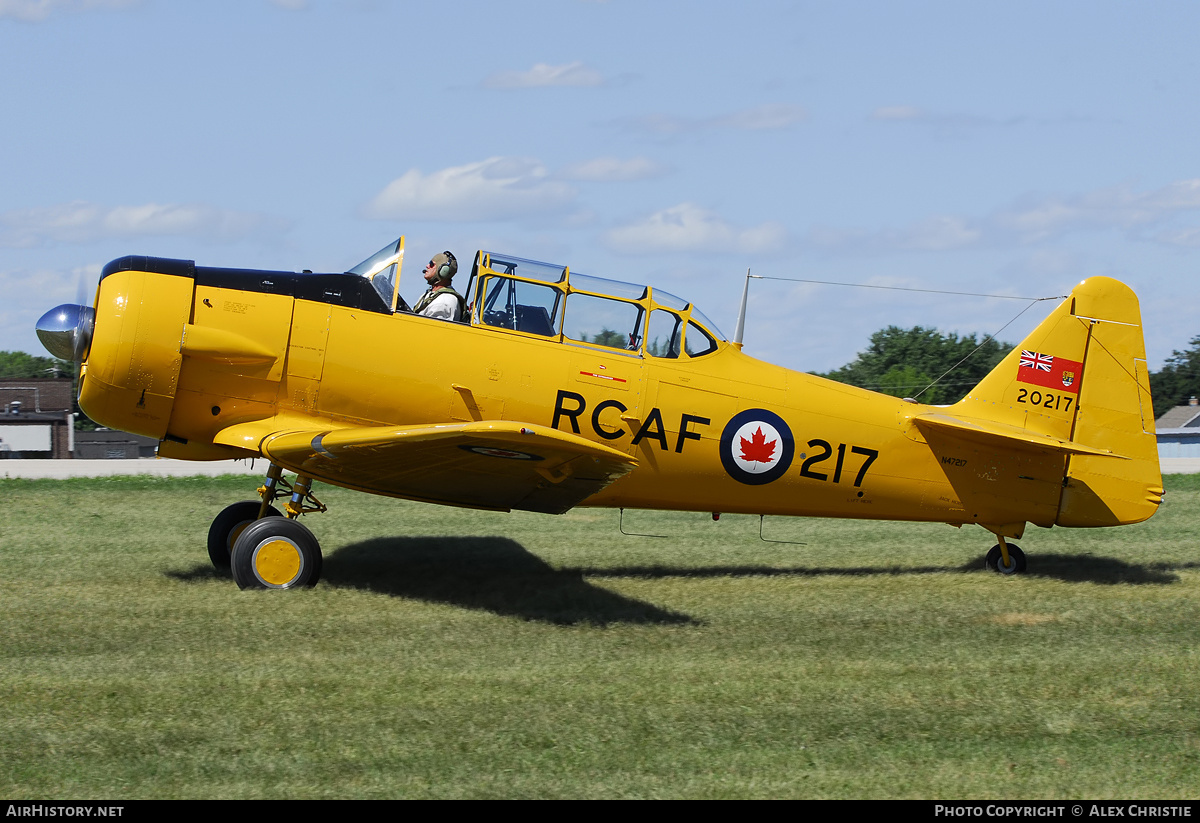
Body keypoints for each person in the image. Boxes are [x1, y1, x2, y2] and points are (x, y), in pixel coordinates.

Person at [411, 251, 465, 321]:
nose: (427, 266)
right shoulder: (429, 295)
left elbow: (433, 329)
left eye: (431, 264)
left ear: (443, 271)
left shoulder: (444, 301)